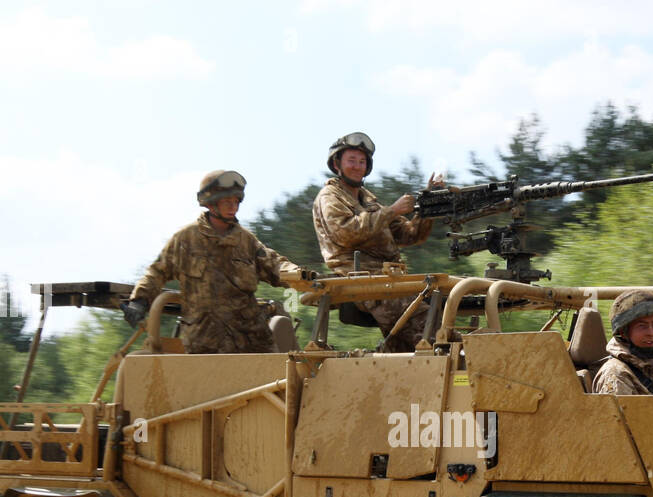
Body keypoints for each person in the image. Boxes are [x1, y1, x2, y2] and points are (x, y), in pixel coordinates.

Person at [122, 170, 308, 354]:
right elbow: (157, 272)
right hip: (205, 343)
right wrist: (139, 300)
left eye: (236, 202)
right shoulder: (186, 239)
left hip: (251, 341)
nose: (233, 207)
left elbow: (275, 264)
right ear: (210, 203)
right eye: (227, 202)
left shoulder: (245, 241)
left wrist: (302, 276)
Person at [311, 132, 444, 352]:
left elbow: (410, 235)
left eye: (362, 161)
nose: (357, 166)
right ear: (337, 165)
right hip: (360, 279)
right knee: (427, 325)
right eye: (351, 161)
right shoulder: (330, 197)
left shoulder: (368, 199)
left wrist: (428, 205)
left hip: (389, 278)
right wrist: (391, 211)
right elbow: (346, 233)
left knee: (433, 313)